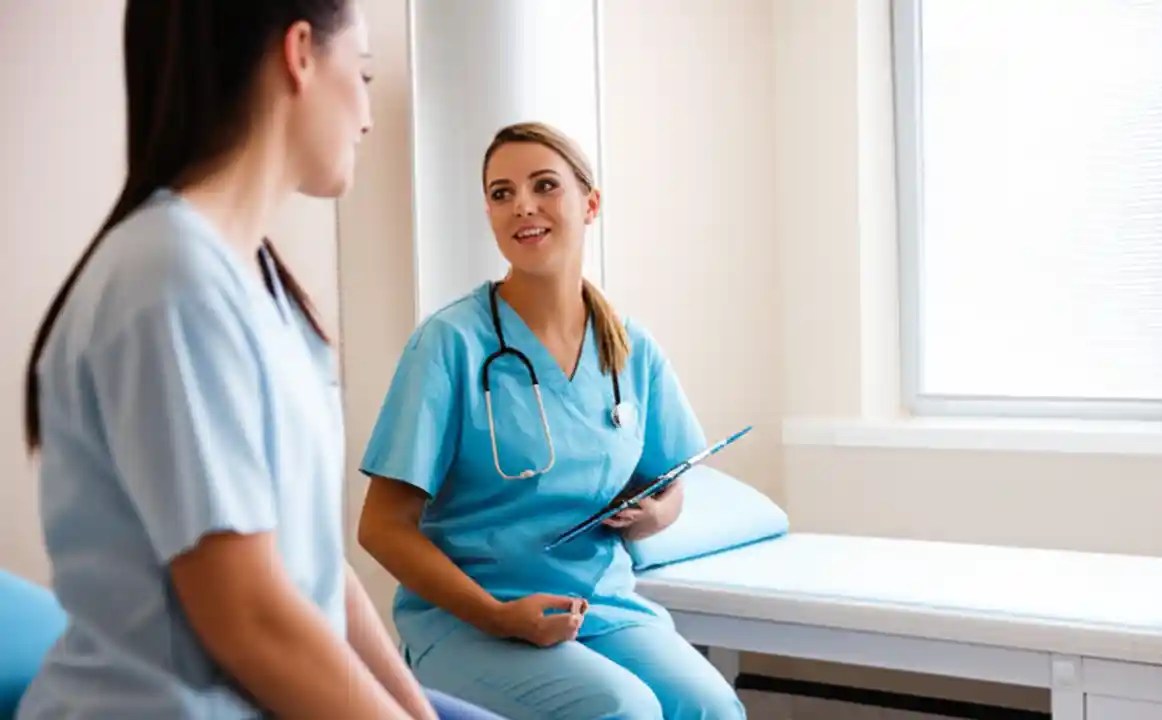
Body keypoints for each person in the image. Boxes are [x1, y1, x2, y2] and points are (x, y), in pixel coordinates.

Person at [17, 3, 501, 719]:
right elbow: (249, 617)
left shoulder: (260, 284)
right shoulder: (168, 276)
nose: (367, 116)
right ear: (299, 53)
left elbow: (311, 570)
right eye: (361, 74)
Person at [357, 121, 746, 719]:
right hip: (472, 620)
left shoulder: (630, 350)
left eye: (544, 186)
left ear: (590, 204)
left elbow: (669, 488)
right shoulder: (449, 343)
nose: (523, 208)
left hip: (600, 609)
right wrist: (495, 614)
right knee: (623, 710)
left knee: (712, 707)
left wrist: (651, 515)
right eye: (501, 193)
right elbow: (382, 527)